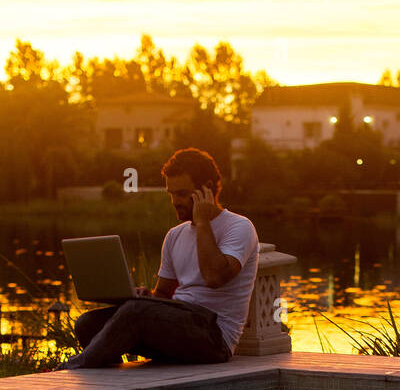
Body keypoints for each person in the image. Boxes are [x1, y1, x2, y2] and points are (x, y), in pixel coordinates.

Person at [58, 148, 259, 369]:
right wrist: (148, 297)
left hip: (214, 337)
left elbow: (214, 277)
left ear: (207, 189)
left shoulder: (239, 226)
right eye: (171, 194)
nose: (174, 201)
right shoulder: (175, 236)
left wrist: (202, 221)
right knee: (87, 324)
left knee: (137, 313)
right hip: (179, 327)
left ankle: (76, 366)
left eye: (182, 194)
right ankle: (110, 381)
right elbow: (163, 293)